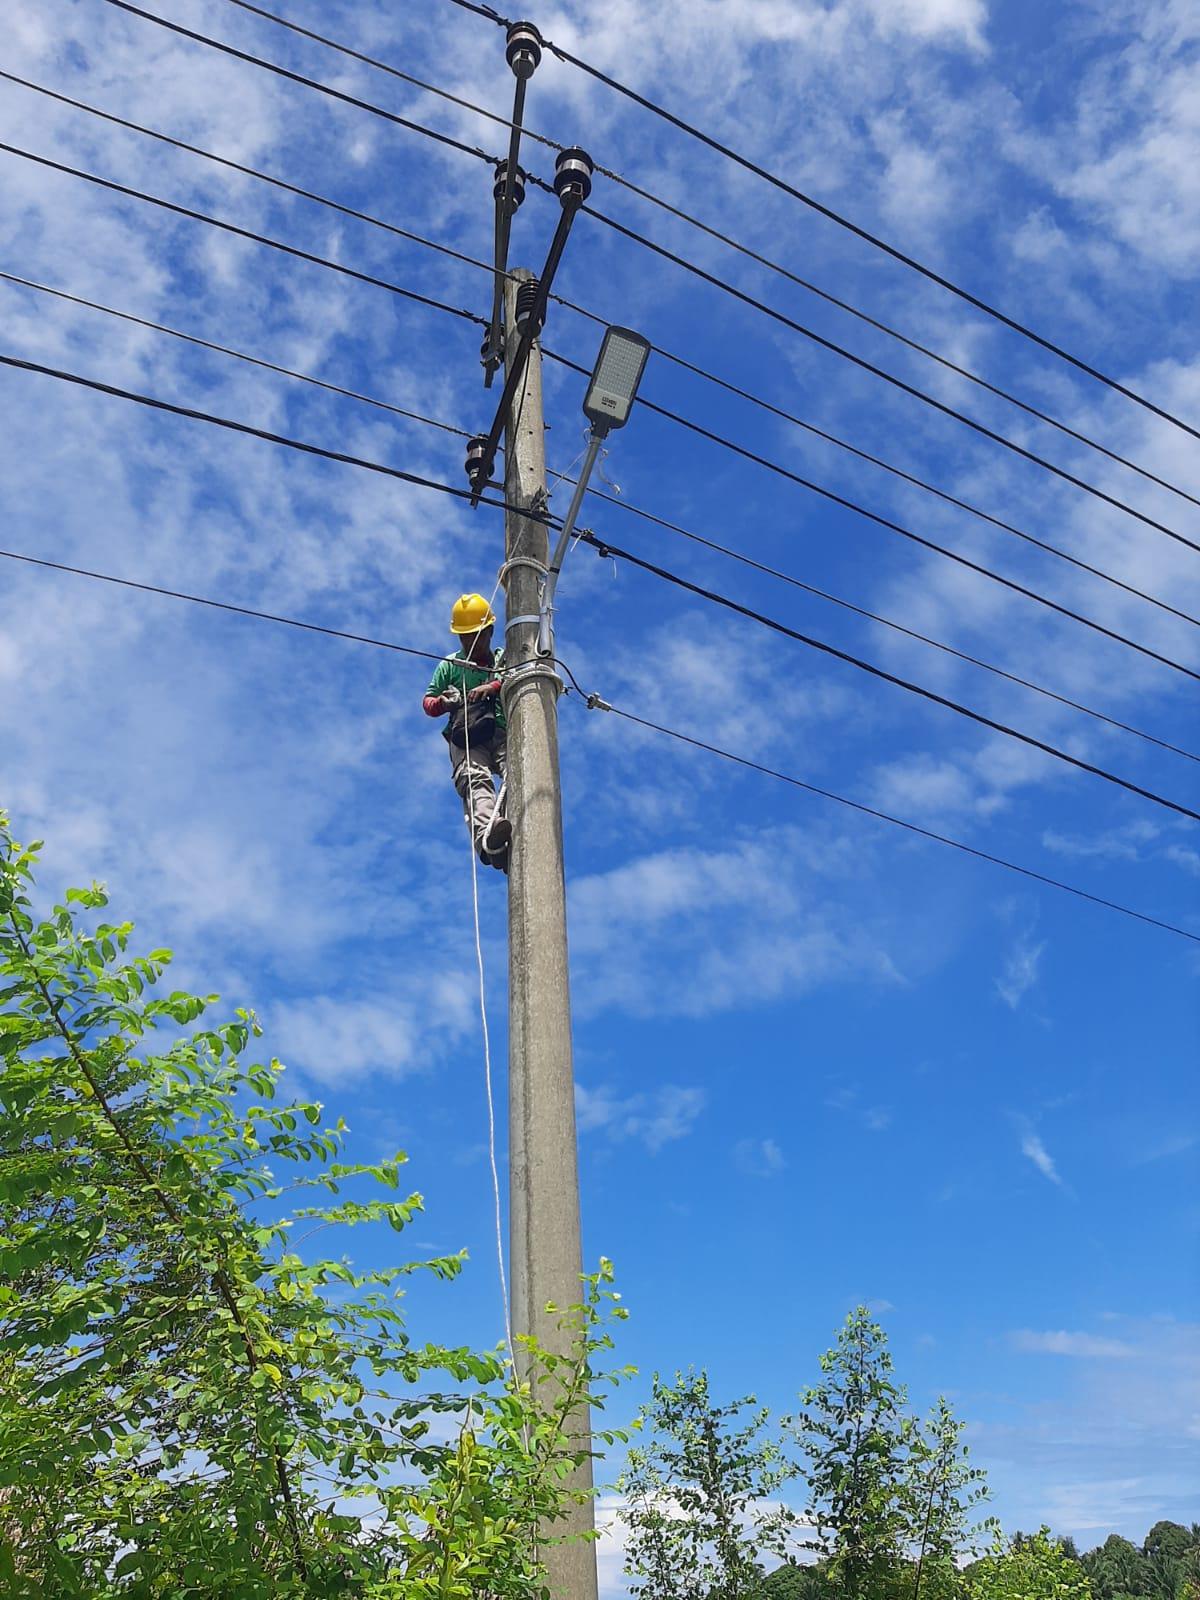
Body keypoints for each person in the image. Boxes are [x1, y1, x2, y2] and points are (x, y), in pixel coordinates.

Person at [423, 593, 512, 871]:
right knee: (473, 779)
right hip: (466, 734)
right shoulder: (450, 665)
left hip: (499, 730)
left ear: (489, 631)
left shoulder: (503, 659)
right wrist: (444, 703)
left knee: (519, 775)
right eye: (464, 637)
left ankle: (514, 830)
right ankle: (489, 838)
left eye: (476, 635)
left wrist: (492, 687)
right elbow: (428, 703)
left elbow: (513, 676)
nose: (470, 642)